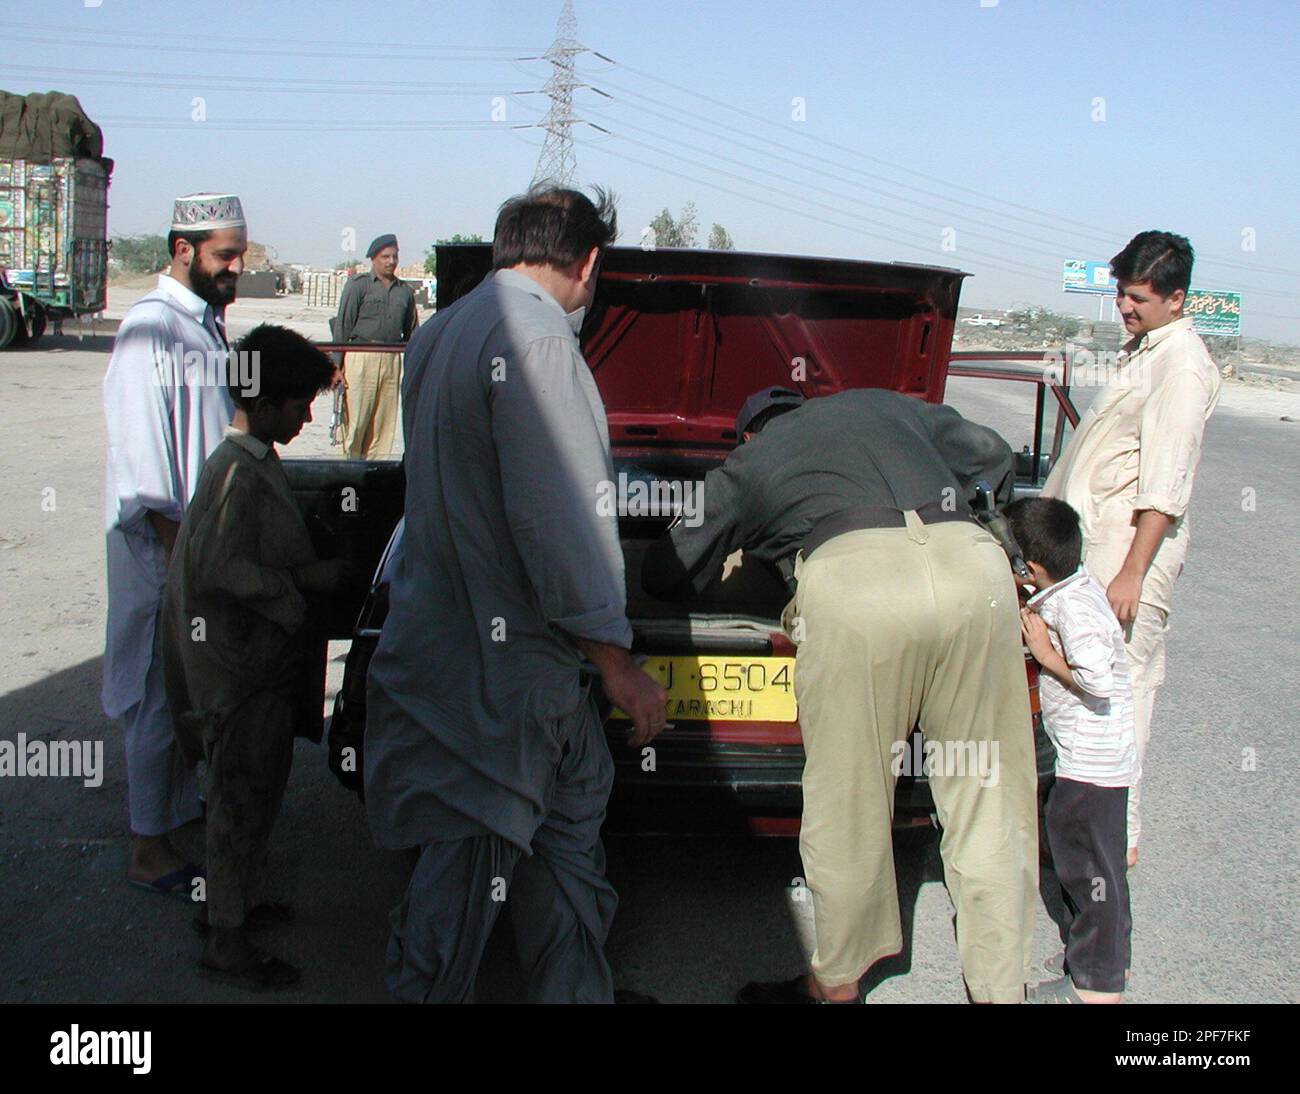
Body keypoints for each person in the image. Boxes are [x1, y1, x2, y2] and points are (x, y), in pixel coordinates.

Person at [363, 186, 667, 1004]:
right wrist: (618, 664)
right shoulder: (540, 344)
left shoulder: (439, 332)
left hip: (447, 651)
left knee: (568, 838)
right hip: (507, 685)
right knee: (466, 874)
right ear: (590, 262)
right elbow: (562, 523)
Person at [643, 387, 1039, 1005]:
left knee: (851, 799)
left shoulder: (752, 460)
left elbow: (666, 571)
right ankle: (998, 990)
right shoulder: (885, 405)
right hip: (975, 572)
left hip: (859, 591)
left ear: (750, 434)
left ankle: (835, 985)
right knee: (989, 794)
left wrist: (749, 544)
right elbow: (989, 452)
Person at [161, 324, 341, 990]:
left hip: (255, 667)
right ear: (264, 402)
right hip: (236, 671)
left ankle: (228, 904)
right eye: (299, 405)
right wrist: (302, 584)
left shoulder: (253, 458)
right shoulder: (236, 470)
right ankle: (226, 940)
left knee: (256, 792)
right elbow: (219, 566)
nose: (308, 417)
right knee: (238, 799)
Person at [1043, 230, 1220, 868]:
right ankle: (1081, 830)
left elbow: (1165, 485)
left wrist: (1131, 575)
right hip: (1099, 556)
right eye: (1121, 293)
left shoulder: (1182, 365)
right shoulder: (1144, 352)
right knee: (1087, 688)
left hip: (1127, 559)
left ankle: (1116, 843)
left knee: (1123, 694)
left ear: (1177, 299)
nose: (1125, 306)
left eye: (1139, 297)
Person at [102, 192, 247, 896]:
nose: (237, 266)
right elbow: (146, 469)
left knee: (189, 696)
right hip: (166, 556)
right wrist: (184, 563)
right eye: (225, 254)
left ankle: (175, 811)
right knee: (158, 699)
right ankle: (148, 848)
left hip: (198, 550)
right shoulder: (149, 331)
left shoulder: (204, 327)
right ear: (183, 249)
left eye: (240, 254)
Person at [1007, 497, 1137, 1004]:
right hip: (1095, 762)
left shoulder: (1071, 608)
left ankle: (1094, 988)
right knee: (1094, 869)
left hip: (1091, 767)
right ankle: (1096, 960)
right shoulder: (1074, 588)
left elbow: (1098, 682)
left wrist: (1044, 654)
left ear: (1030, 568)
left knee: (1089, 872)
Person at [332, 233, 418, 458]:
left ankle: (373, 477)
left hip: (391, 361)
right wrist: (335, 367)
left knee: (383, 426)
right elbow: (342, 327)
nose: (391, 261)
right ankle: (349, 477)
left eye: (395, 257)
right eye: (385, 256)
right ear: (373, 258)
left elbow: (413, 333)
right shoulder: (358, 286)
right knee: (356, 423)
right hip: (360, 357)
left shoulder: (405, 291)